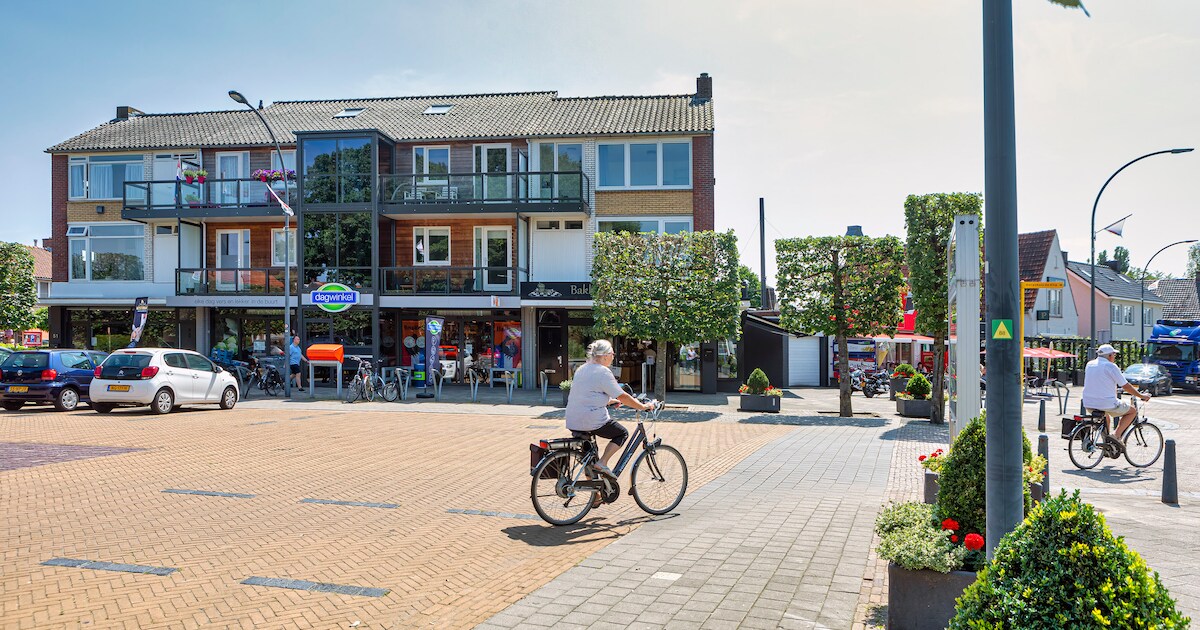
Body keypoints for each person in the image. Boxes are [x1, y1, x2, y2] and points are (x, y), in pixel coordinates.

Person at [566, 339, 653, 507]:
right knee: (621, 433)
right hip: (591, 419)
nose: (613, 356)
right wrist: (642, 406)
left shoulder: (582, 369)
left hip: (573, 419)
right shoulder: (603, 372)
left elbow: (587, 395)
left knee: (587, 456)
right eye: (612, 353)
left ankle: (596, 495)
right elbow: (623, 396)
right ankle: (603, 463)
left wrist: (608, 401)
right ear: (604, 356)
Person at [1082, 344, 1150, 449]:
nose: (1114, 357)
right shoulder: (1111, 366)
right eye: (1114, 355)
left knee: (1105, 418)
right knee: (1132, 411)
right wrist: (1141, 395)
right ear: (1109, 356)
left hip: (1088, 403)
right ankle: (1116, 436)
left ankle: (1107, 445)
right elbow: (1126, 385)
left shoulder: (1089, 364)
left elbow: (1099, 381)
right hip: (1106, 403)